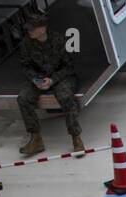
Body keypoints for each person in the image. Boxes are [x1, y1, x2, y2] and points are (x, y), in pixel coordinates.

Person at [17, 15, 83, 157]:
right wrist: (35, 80)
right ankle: (36, 139)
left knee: (65, 97)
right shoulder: (26, 44)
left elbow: (69, 67)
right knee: (23, 98)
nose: (30, 31)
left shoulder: (59, 40)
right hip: (39, 78)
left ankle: (76, 138)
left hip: (60, 77)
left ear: (42, 29)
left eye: (33, 28)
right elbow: (25, 67)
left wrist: (52, 80)